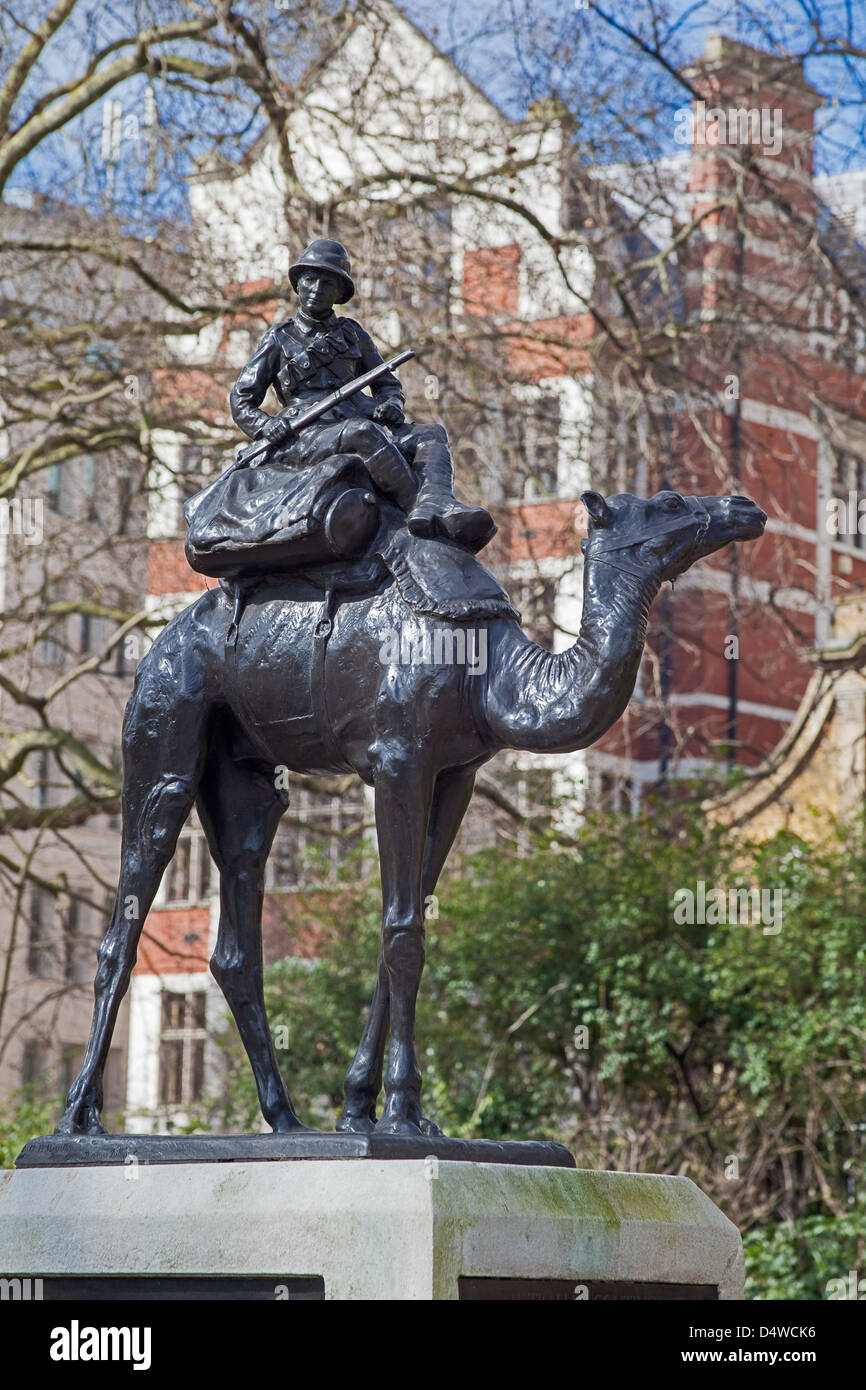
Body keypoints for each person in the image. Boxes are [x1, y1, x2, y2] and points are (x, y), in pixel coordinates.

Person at [218, 238, 495, 559]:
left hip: (355, 415)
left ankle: (436, 503)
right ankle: (419, 508)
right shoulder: (279, 339)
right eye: (310, 279)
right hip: (305, 433)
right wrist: (266, 427)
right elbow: (241, 400)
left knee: (431, 434)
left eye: (328, 282)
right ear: (298, 284)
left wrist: (391, 404)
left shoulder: (352, 334)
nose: (317, 289)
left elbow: (387, 384)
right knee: (363, 435)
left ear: (339, 292)